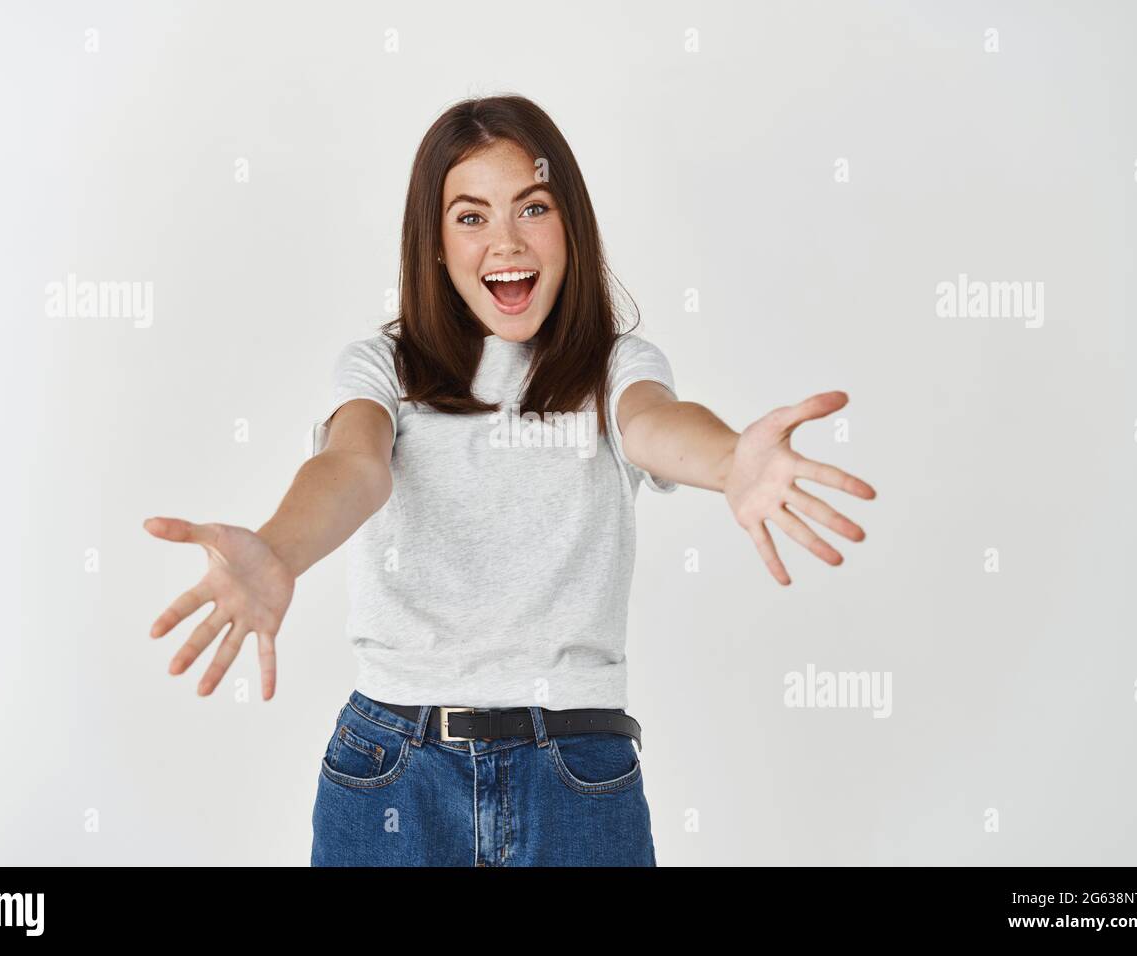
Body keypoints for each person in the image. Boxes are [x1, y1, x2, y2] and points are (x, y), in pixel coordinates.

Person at [143, 94, 876, 866]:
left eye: (532, 208)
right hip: (393, 769)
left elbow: (655, 425)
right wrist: (279, 550)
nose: (505, 241)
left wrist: (731, 462)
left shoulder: (613, 370)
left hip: (575, 773)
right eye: (470, 217)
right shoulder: (382, 370)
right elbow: (352, 466)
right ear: (433, 243)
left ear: (572, 227)